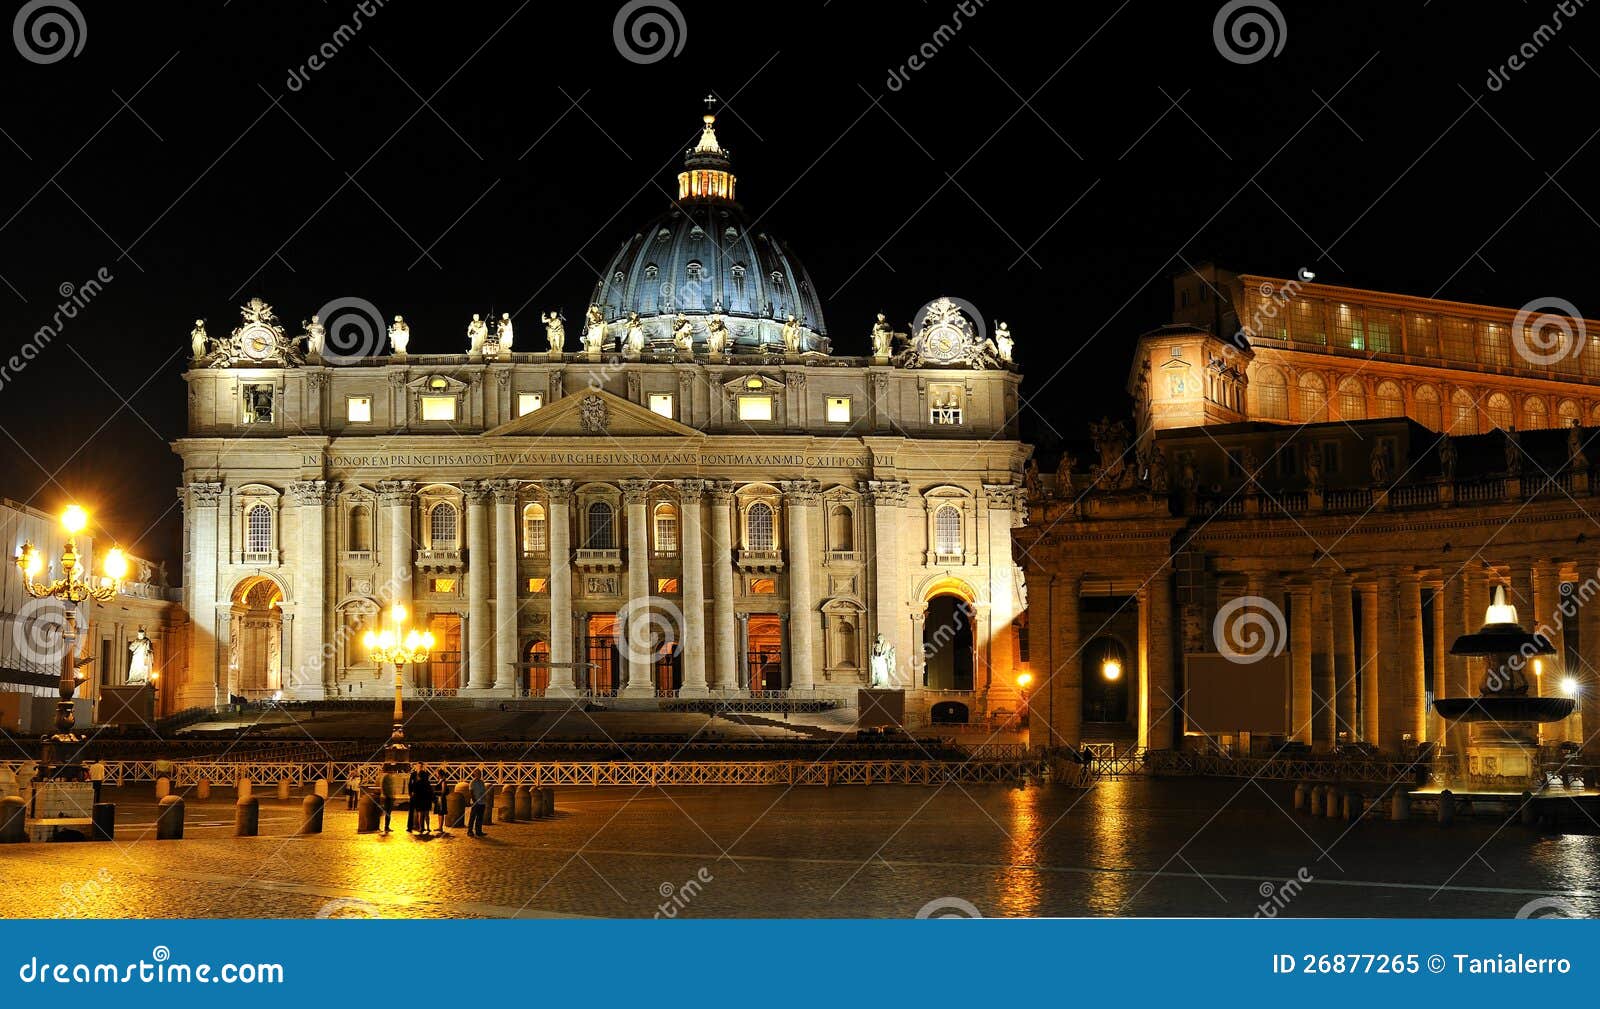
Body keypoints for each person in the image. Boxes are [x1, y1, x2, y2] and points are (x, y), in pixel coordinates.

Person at [414, 768, 433, 835]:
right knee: (427, 815)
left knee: (420, 815)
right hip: (427, 800)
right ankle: (428, 827)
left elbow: (415, 792)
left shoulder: (417, 783)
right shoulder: (427, 782)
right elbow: (431, 791)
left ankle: (421, 828)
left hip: (420, 800)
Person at [468, 771, 487, 837]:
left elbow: (484, 791)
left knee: (480, 818)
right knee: (472, 817)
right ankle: (470, 831)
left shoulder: (482, 782)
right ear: (474, 775)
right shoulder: (472, 782)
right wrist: (474, 801)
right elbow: (471, 792)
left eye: (480, 774)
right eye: (478, 774)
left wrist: (485, 799)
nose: (479, 775)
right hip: (476, 802)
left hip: (482, 802)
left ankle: (478, 831)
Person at [406, 769, 420, 833]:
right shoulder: (413, 774)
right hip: (413, 794)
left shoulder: (424, 774)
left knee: (419, 811)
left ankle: (419, 826)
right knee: (411, 811)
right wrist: (410, 792)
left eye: (421, 766)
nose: (419, 768)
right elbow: (410, 783)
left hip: (420, 795)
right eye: (418, 766)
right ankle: (409, 827)